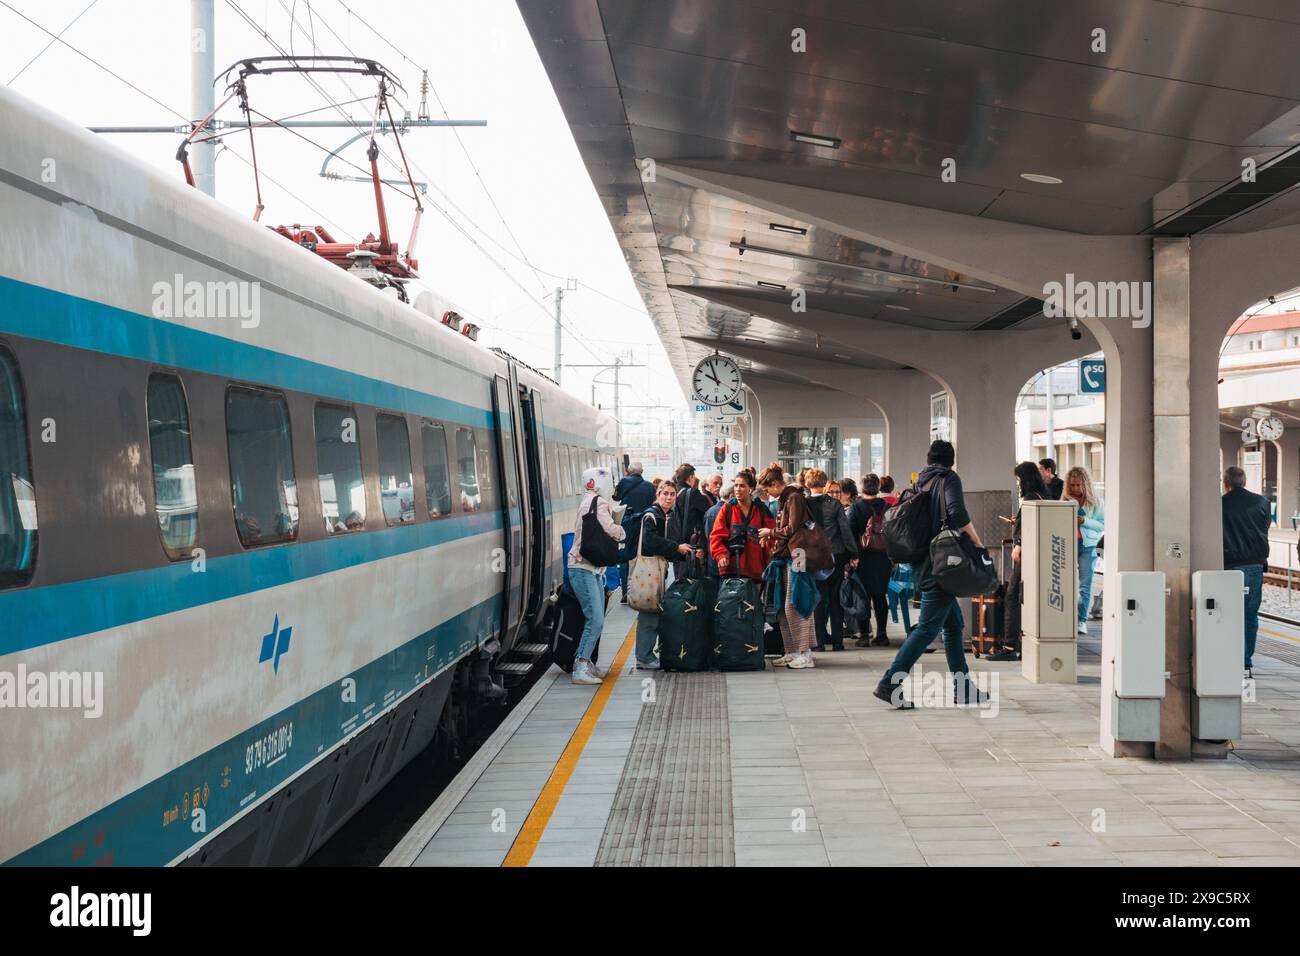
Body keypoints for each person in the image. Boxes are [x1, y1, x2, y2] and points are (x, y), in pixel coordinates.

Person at [874, 440, 987, 708]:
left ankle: (964, 688)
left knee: (953, 626)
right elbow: (957, 513)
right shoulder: (948, 478)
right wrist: (978, 545)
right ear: (951, 460)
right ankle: (890, 682)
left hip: (923, 562)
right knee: (926, 629)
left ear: (928, 459)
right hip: (942, 563)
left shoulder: (920, 482)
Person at [568, 466, 626, 685]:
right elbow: (611, 529)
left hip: (588, 568)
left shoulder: (586, 501)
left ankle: (586, 665)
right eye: (610, 480)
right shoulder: (599, 503)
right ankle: (580, 666)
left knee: (594, 619)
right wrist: (622, 531)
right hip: (584, 569)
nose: (612, 484)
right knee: (596, 620)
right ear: (597, 482)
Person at [633, 481, 698, 670]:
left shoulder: (663, 515)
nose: (669, 498)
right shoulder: (652, 515)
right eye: (665, 494)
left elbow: (662, 545)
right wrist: (676, 547)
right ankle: (644, 657)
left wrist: (680, 553)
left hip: (655, 571)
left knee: (652, 613)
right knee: (648, 614)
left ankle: (645, 655)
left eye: (672, 494)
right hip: (650, 572)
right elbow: (651, 541)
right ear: (657, 494)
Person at [988, 462, 1048, 661]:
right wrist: (1018, 521)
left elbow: (1029, 528)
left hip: (1027, 554)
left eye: (1018, 479)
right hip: (1037, 554)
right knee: (1023, 596)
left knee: (1012, 596)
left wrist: (1018, 545)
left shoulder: (1031, 497)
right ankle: (1018, 641)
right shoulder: (1043, 495)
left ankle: (1009, 646)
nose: (1017, 483)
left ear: (1025, 479)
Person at [762, 466, 820, 669]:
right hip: (790, 554)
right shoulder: (786, 498)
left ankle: (805, 652)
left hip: (799, 553)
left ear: (775, 484)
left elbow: (792, 528)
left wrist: (770, 533)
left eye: (767, 489)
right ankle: (793, 650)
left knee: (797, 601)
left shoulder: (793, 497)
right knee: (784, 605)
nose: (767, 494)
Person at [1222, 465, 1270, 677]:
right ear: (1244, 482)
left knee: (1229, 614)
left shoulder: (1220, 504)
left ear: (1226, 483)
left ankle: (1231, 657)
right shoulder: (1262, 502)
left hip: (1230, 565)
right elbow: (1265, 527)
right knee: (1250, 615)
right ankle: (1245, 661)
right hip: (1255, 565)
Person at [806, 468, 857, 651]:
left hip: (813, 558)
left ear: (807, 484)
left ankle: (818, 643)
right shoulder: (834, 505)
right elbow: (845, 531)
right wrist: (853, 553)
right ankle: (837, 642)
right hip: (836, 555)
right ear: (825, 483)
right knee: (836, 599)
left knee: (818, 600)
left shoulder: (804, 504)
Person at [849, 473, 892, 648]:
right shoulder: (886, 506)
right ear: (878, 487)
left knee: (862, 596)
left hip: (862, 557)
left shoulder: (856, 507)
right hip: (883, 557)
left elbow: (850, 532)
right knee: (880, 596)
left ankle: (864, 635)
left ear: (861, 488)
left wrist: (853, 556)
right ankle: (882, 634)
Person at [709, 469, 775, 581]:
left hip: (756, 570)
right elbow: (716, 536)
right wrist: (721, 555)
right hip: (731, 569)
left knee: (752, 599)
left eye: (742, 486)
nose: (738, 489)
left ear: (751, 489)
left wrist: (768, 554)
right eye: (736, 486)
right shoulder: (727, 508)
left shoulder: (761, 510)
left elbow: (772, 536)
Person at [1064, 467, 1104, 636]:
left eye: (1078, 485)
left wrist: (1084, 521)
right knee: (1065, 583)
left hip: (1087, 546)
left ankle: (1081, 620)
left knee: (1085, 585)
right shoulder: (1064, 500)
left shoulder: (1096, 502)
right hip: (1068, 544)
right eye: (1072, 485)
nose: (1075, 489)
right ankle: (1066, 618)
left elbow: (1101, 524)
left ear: (1085, 484)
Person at [613, 462, 657, 603]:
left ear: (628, 471)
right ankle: (641, 590)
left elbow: (615, 498)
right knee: (642, 556)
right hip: (644, 524)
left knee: (624, 557)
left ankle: (626, 592)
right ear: (642, 471)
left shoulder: (623, 482)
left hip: (626, 524)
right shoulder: (650, 487)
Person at [671, 463, 711, 579]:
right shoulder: (693, 494)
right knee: (692, 580)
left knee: (679, 578)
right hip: (691, 544)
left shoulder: (671, 493)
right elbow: (707, 513)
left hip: (674, 544)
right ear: (690, 477)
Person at [702, 481, 734, 577]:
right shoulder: (729, 511)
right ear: (731, 495)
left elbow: (708, 536)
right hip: (724, 559)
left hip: (712, 558)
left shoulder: (710, 511)